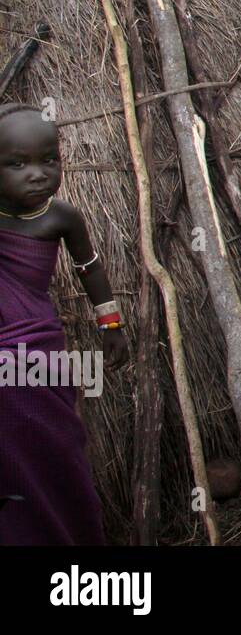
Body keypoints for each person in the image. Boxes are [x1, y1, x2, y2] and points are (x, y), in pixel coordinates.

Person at [0, 103, 127, 544]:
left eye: (48, 160)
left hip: (40, 353)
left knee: (57, 450)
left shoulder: (61, 218)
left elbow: (89, 268)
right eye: (17, 163)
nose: (37, 174)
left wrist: (111, 327)